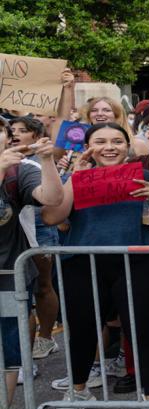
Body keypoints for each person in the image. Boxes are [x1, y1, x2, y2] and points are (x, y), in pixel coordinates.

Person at [39, 123, 149, 409]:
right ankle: (79, 393)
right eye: (101, 141)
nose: (109, 147)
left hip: (137, 261)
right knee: (81, 330)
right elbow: (53, 217)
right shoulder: (74, 178)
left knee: (141, 329)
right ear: (88, 146)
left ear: (128, 145)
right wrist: (75, 178)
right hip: (83, 263)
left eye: (117, 141)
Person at [0, 136, 66, 409]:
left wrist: (48, 161)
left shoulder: (19, 170)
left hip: (10, 273)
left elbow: (52, 198)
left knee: (9, 349)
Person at [6, 117, 63, 361]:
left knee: (28, 295)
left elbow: (50, 198)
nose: (17, 134)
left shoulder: (26, 168)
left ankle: (28, 354)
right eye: (13, 129)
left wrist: (48, 159)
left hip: (26, 240)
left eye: (21, 131)